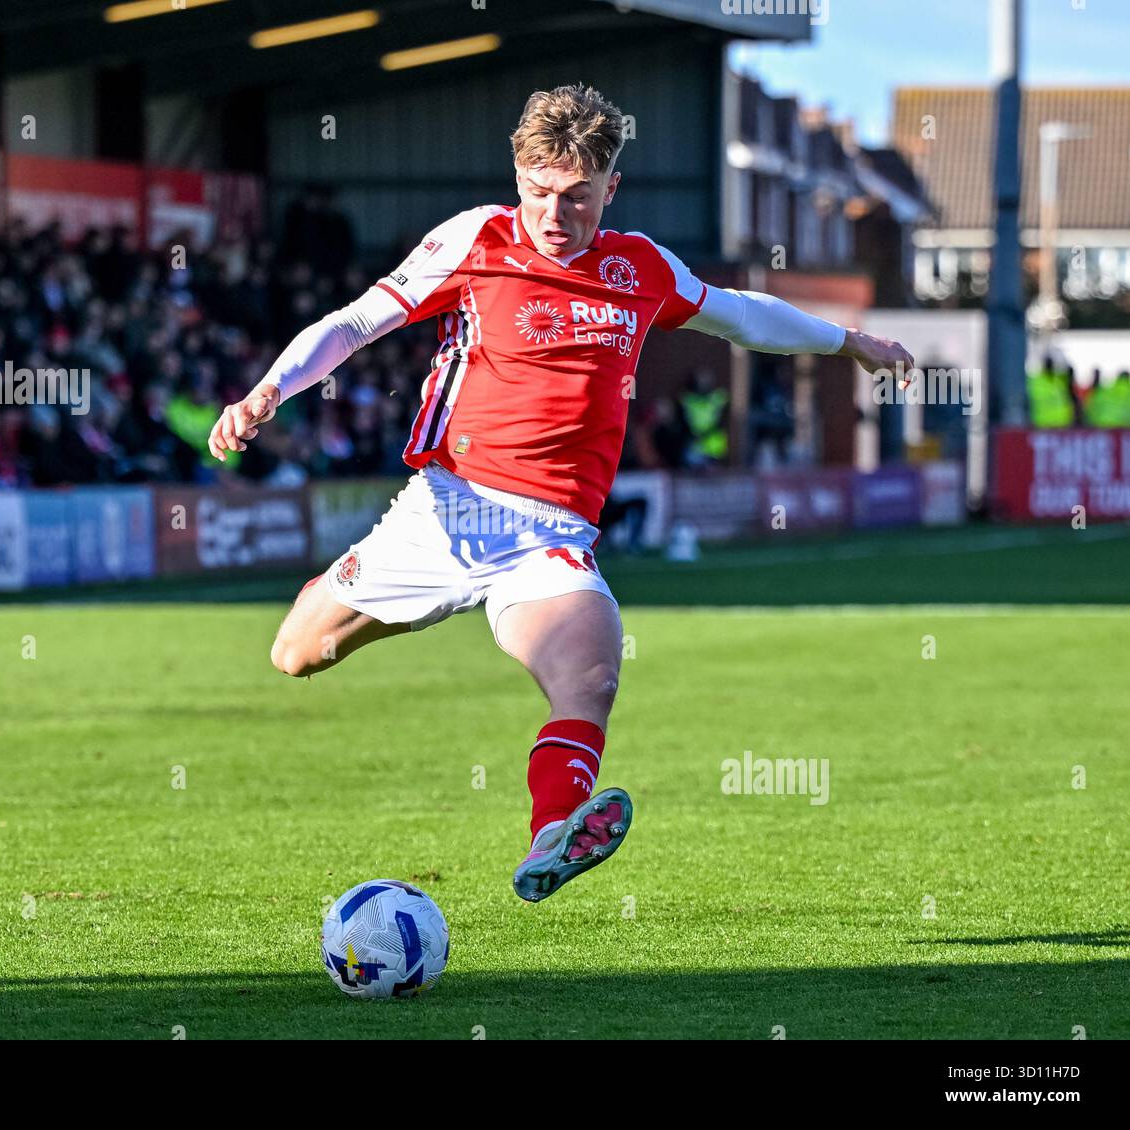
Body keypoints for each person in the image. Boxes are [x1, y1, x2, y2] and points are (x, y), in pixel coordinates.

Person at [211, 84, 913, 902]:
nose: (554, 212)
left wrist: (846, 340)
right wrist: (268, 391)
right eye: (538, 190)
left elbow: (740, 316)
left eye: (576, 195)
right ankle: (343, 590)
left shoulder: (638, 267)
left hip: (549, 537)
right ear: (517, 177)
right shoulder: (474, 240)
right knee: (297, 653)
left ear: (609, 189)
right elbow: (355, 323)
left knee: (591, 676)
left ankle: (553, 833)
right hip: (448, 509)